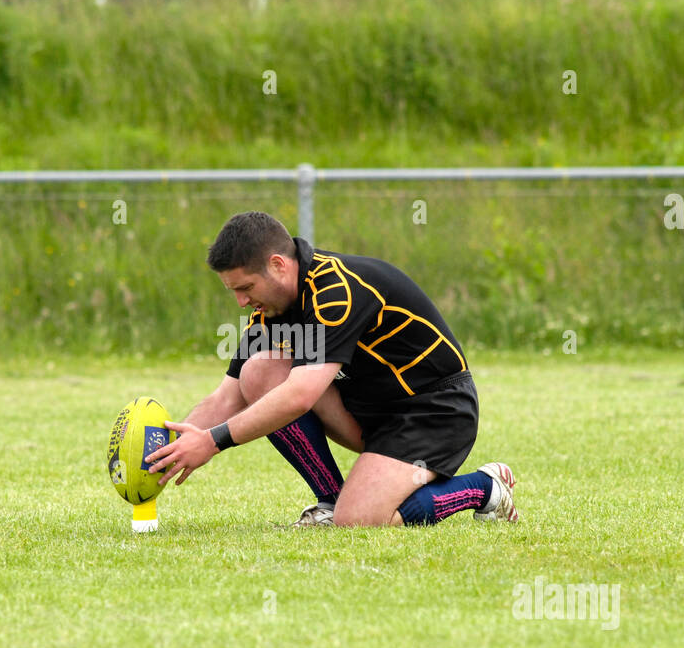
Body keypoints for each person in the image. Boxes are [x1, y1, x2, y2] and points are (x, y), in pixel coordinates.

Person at [145, 211, 518, 527]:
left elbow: (301, 394)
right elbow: (227, 396)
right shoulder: (271, 312)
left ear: (278, 265)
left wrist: (211, 442)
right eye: (234, 292)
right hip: (370, 413)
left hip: (434, 411)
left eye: (246, 287)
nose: (241, 301)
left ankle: (484, 488)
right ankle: (330, 501)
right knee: (258, 372)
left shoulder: (336, 290)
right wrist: (168, 451)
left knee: (359, 520)